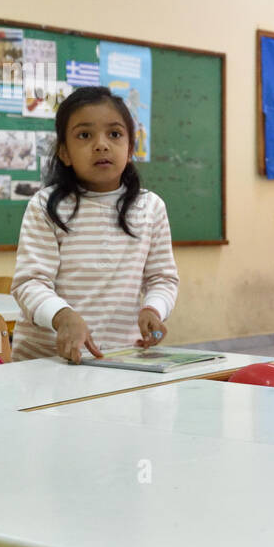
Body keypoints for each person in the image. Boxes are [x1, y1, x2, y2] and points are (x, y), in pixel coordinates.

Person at [11, 86, 180, 363]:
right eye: (84, 135)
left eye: (114, 134)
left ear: (129, 149)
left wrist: (153, 309)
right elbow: (30, 282)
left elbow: (162, 279)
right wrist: (62, 316)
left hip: (119, 358)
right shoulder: (45, 206)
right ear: (64, 152)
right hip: (46, 361)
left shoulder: (151, 207)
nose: (101, 144)